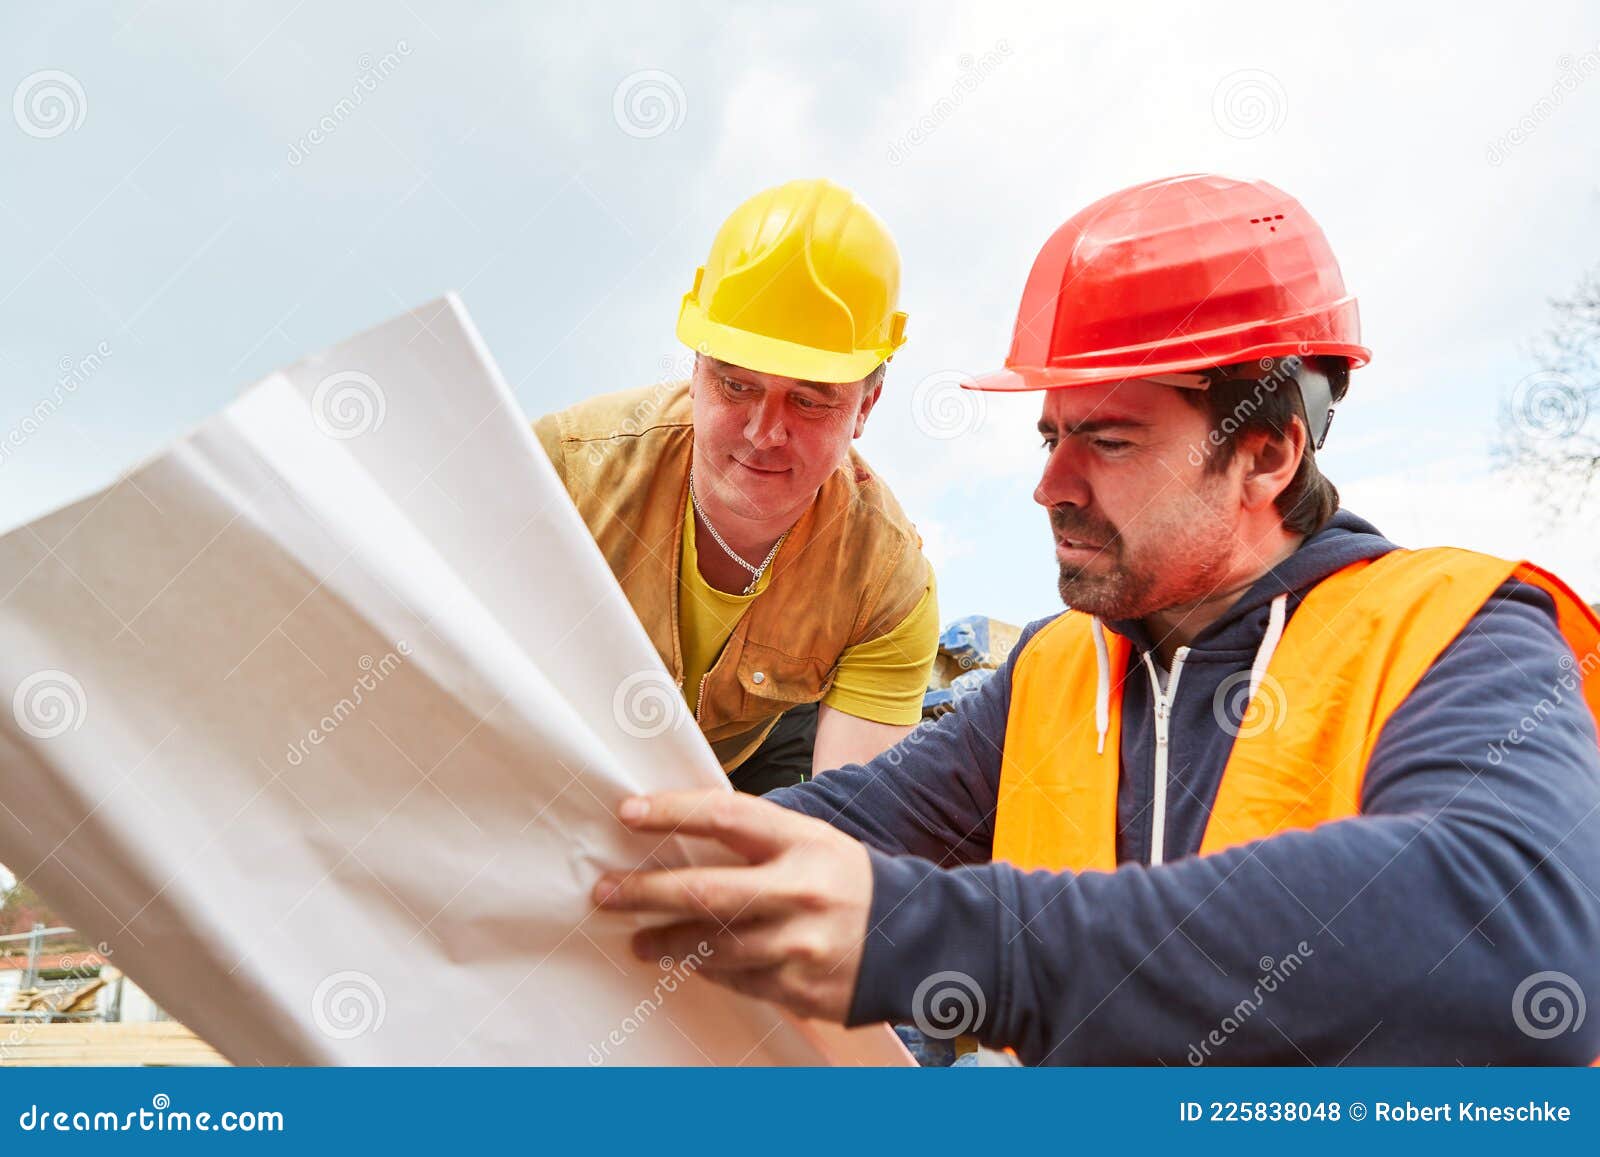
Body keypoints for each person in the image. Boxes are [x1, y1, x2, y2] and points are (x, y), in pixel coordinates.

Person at [590, 174, 1600, 1064]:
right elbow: (829, 830)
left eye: (1108, 441)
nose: (1051, 486)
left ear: (1266, 453)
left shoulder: (1458, 635)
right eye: (1051, 437)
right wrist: (596, 859)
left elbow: (1515, 931)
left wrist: (965, 941)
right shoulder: (1054, 673)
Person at [536, 179, 938, 794]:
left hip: (747, 759)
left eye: (808, 401)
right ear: (697, 370)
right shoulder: (559, 471)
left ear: (865, 405)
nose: (763, 432)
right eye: (736, 386)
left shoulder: (886, 583)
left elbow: (848, 824)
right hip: (560, 750)